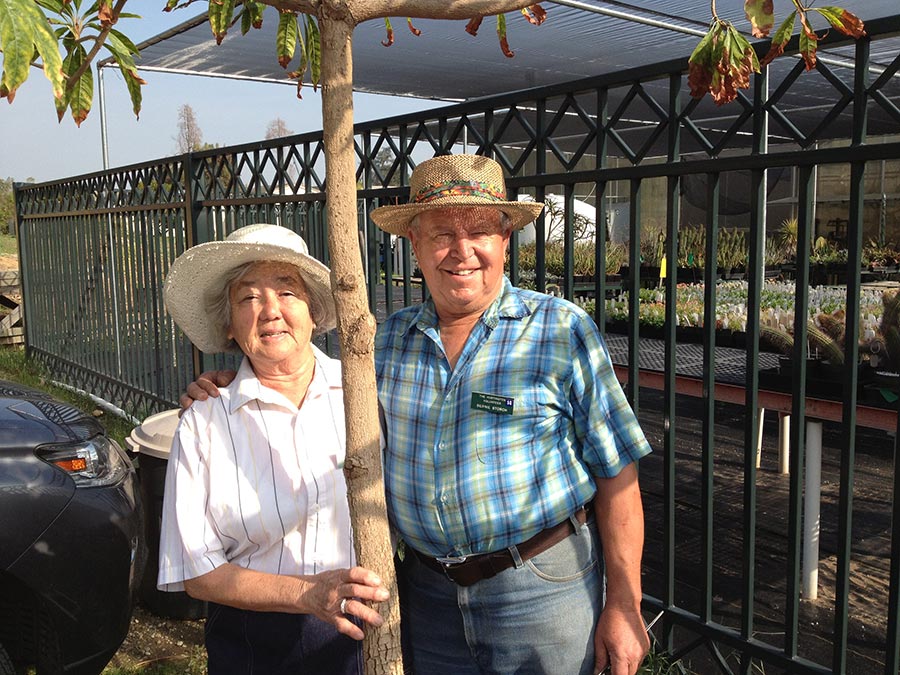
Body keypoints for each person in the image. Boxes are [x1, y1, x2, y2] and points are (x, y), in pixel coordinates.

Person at [184, 155, 653, 675]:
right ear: (415, 244)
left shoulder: (560, 331)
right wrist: (236, 381)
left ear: (505, 238)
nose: (461, 251)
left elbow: (618, 473)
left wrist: (625, 603)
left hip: (539, 589)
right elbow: (305, 381)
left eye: (479, 231)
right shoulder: (387, 344)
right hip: (428, 599)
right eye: (441, 234)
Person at [159, 223, 389, 675]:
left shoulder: (365, 394)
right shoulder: (205, 421)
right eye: (248, 297)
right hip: (251, 641)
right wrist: (307, 594)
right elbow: (197, 573)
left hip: (364, 628)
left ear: (313, 310)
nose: (270, 311)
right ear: (228, 324)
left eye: (287, 292)